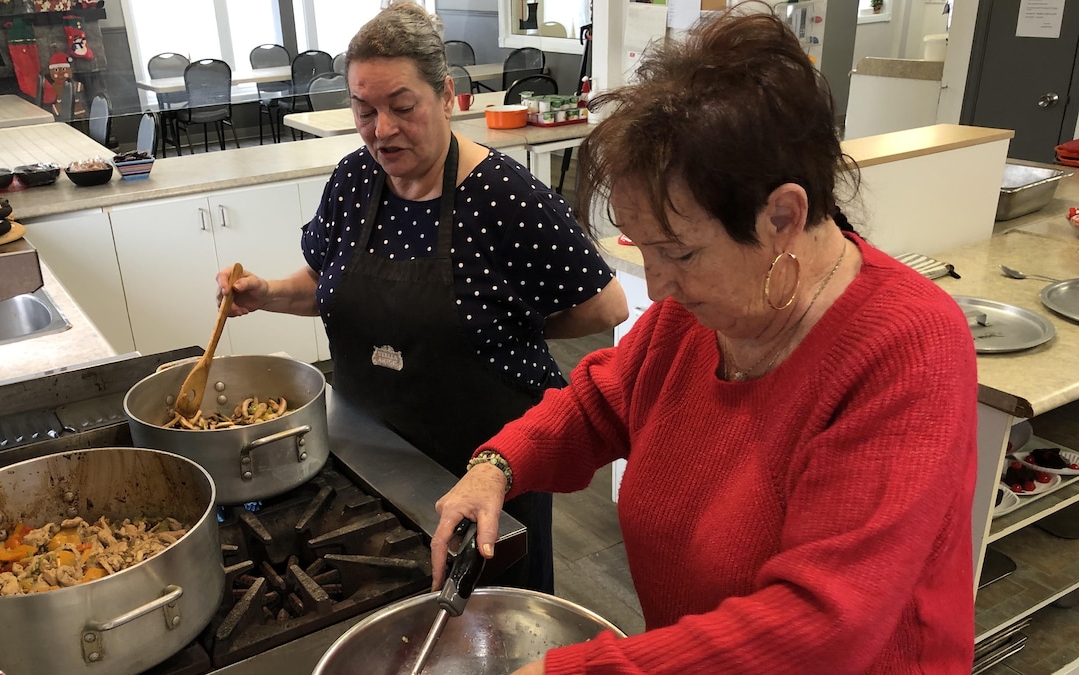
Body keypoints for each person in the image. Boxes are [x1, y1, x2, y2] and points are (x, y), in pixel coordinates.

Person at [429, 7, 978, 674]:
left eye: (680, 253)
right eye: (643, 248)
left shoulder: (908, 349)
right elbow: (601, 402)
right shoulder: (699, 315)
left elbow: (822, 626)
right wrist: (498, 465)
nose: (658, 286)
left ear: (782, 216)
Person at [215, 2, 628, 595]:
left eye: (402, 107)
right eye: (364, 111)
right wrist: (269, 293)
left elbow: (606, 306)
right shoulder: (354, 180)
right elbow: (327, 281)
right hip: (370, 460)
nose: (382, 129)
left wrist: (509, 326)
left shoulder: (505, 197)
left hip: (484, 470)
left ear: (447, 96)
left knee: (487, 625)